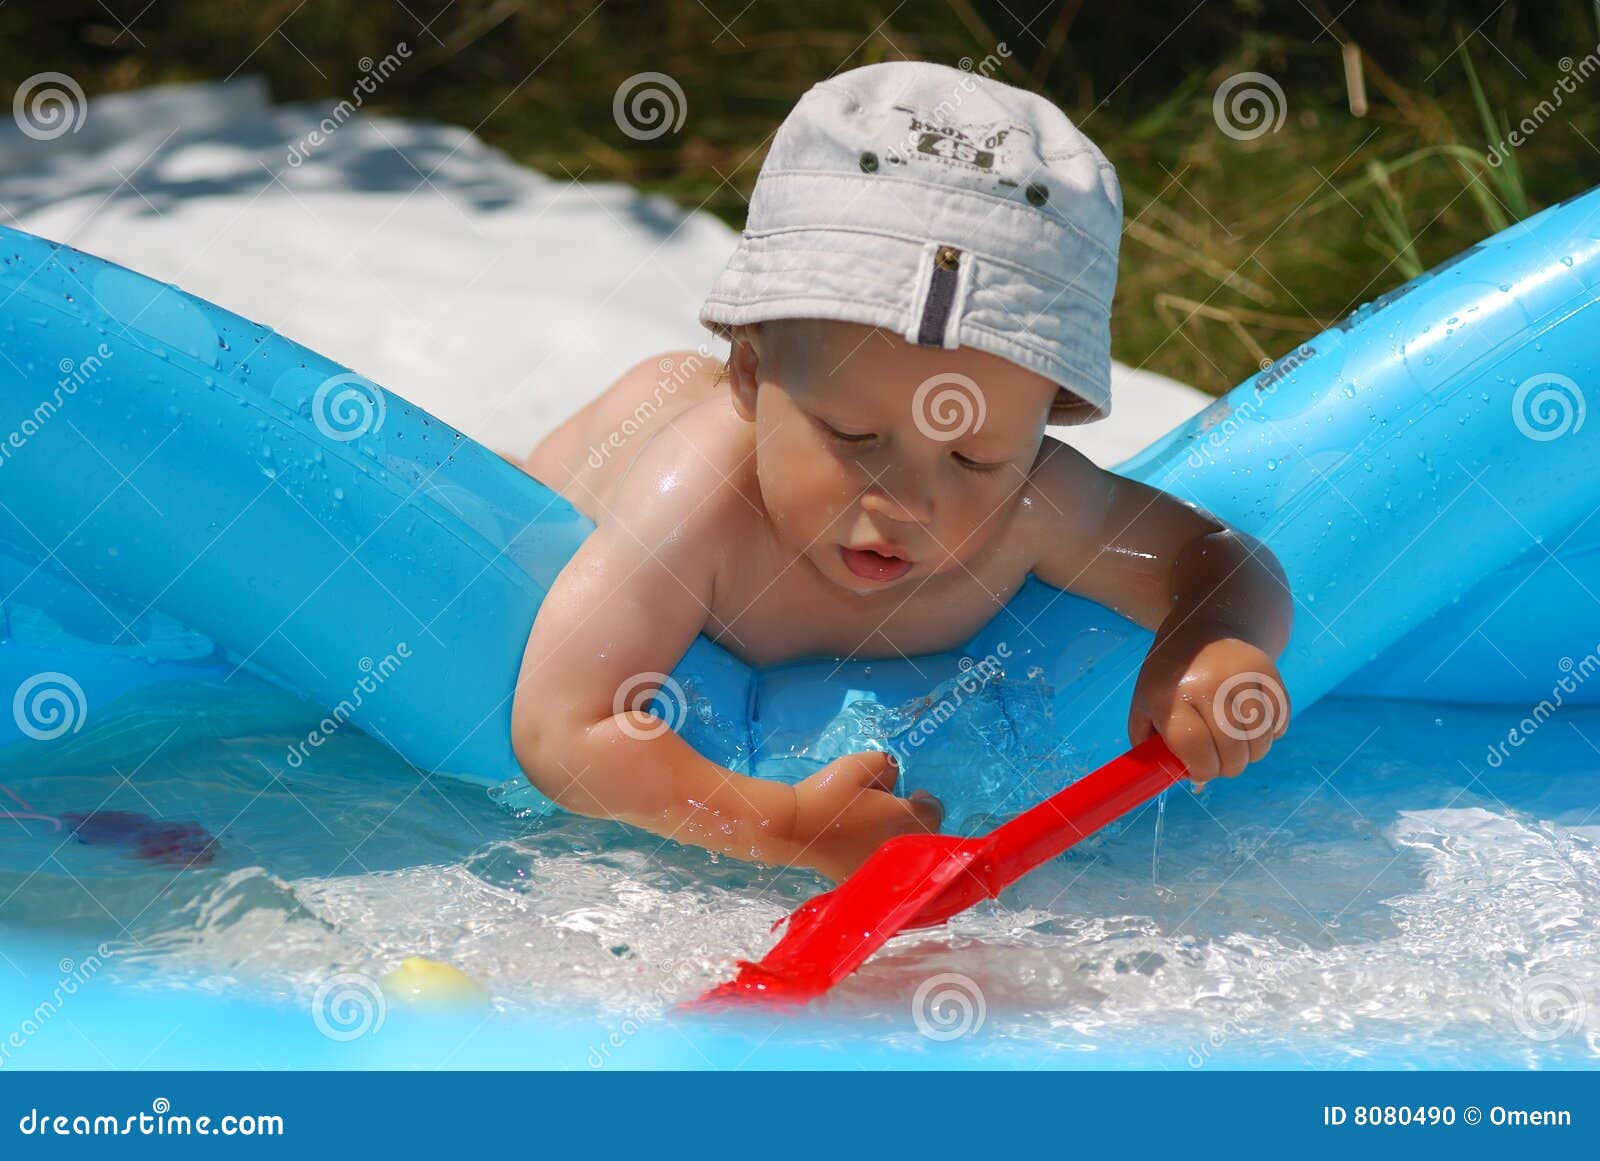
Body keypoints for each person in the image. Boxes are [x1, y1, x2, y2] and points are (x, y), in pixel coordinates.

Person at [512, 61, 1291, 883]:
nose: (909, 504)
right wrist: (789, 828)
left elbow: (1217, 555)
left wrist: (1208, 641)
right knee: (586, 433)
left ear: (1044, 424)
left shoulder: (1038, 501)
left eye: (973, 456)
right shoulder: (701, 489)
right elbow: (562, 726)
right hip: (606, 449)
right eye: (852, 434)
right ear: (749, 375)